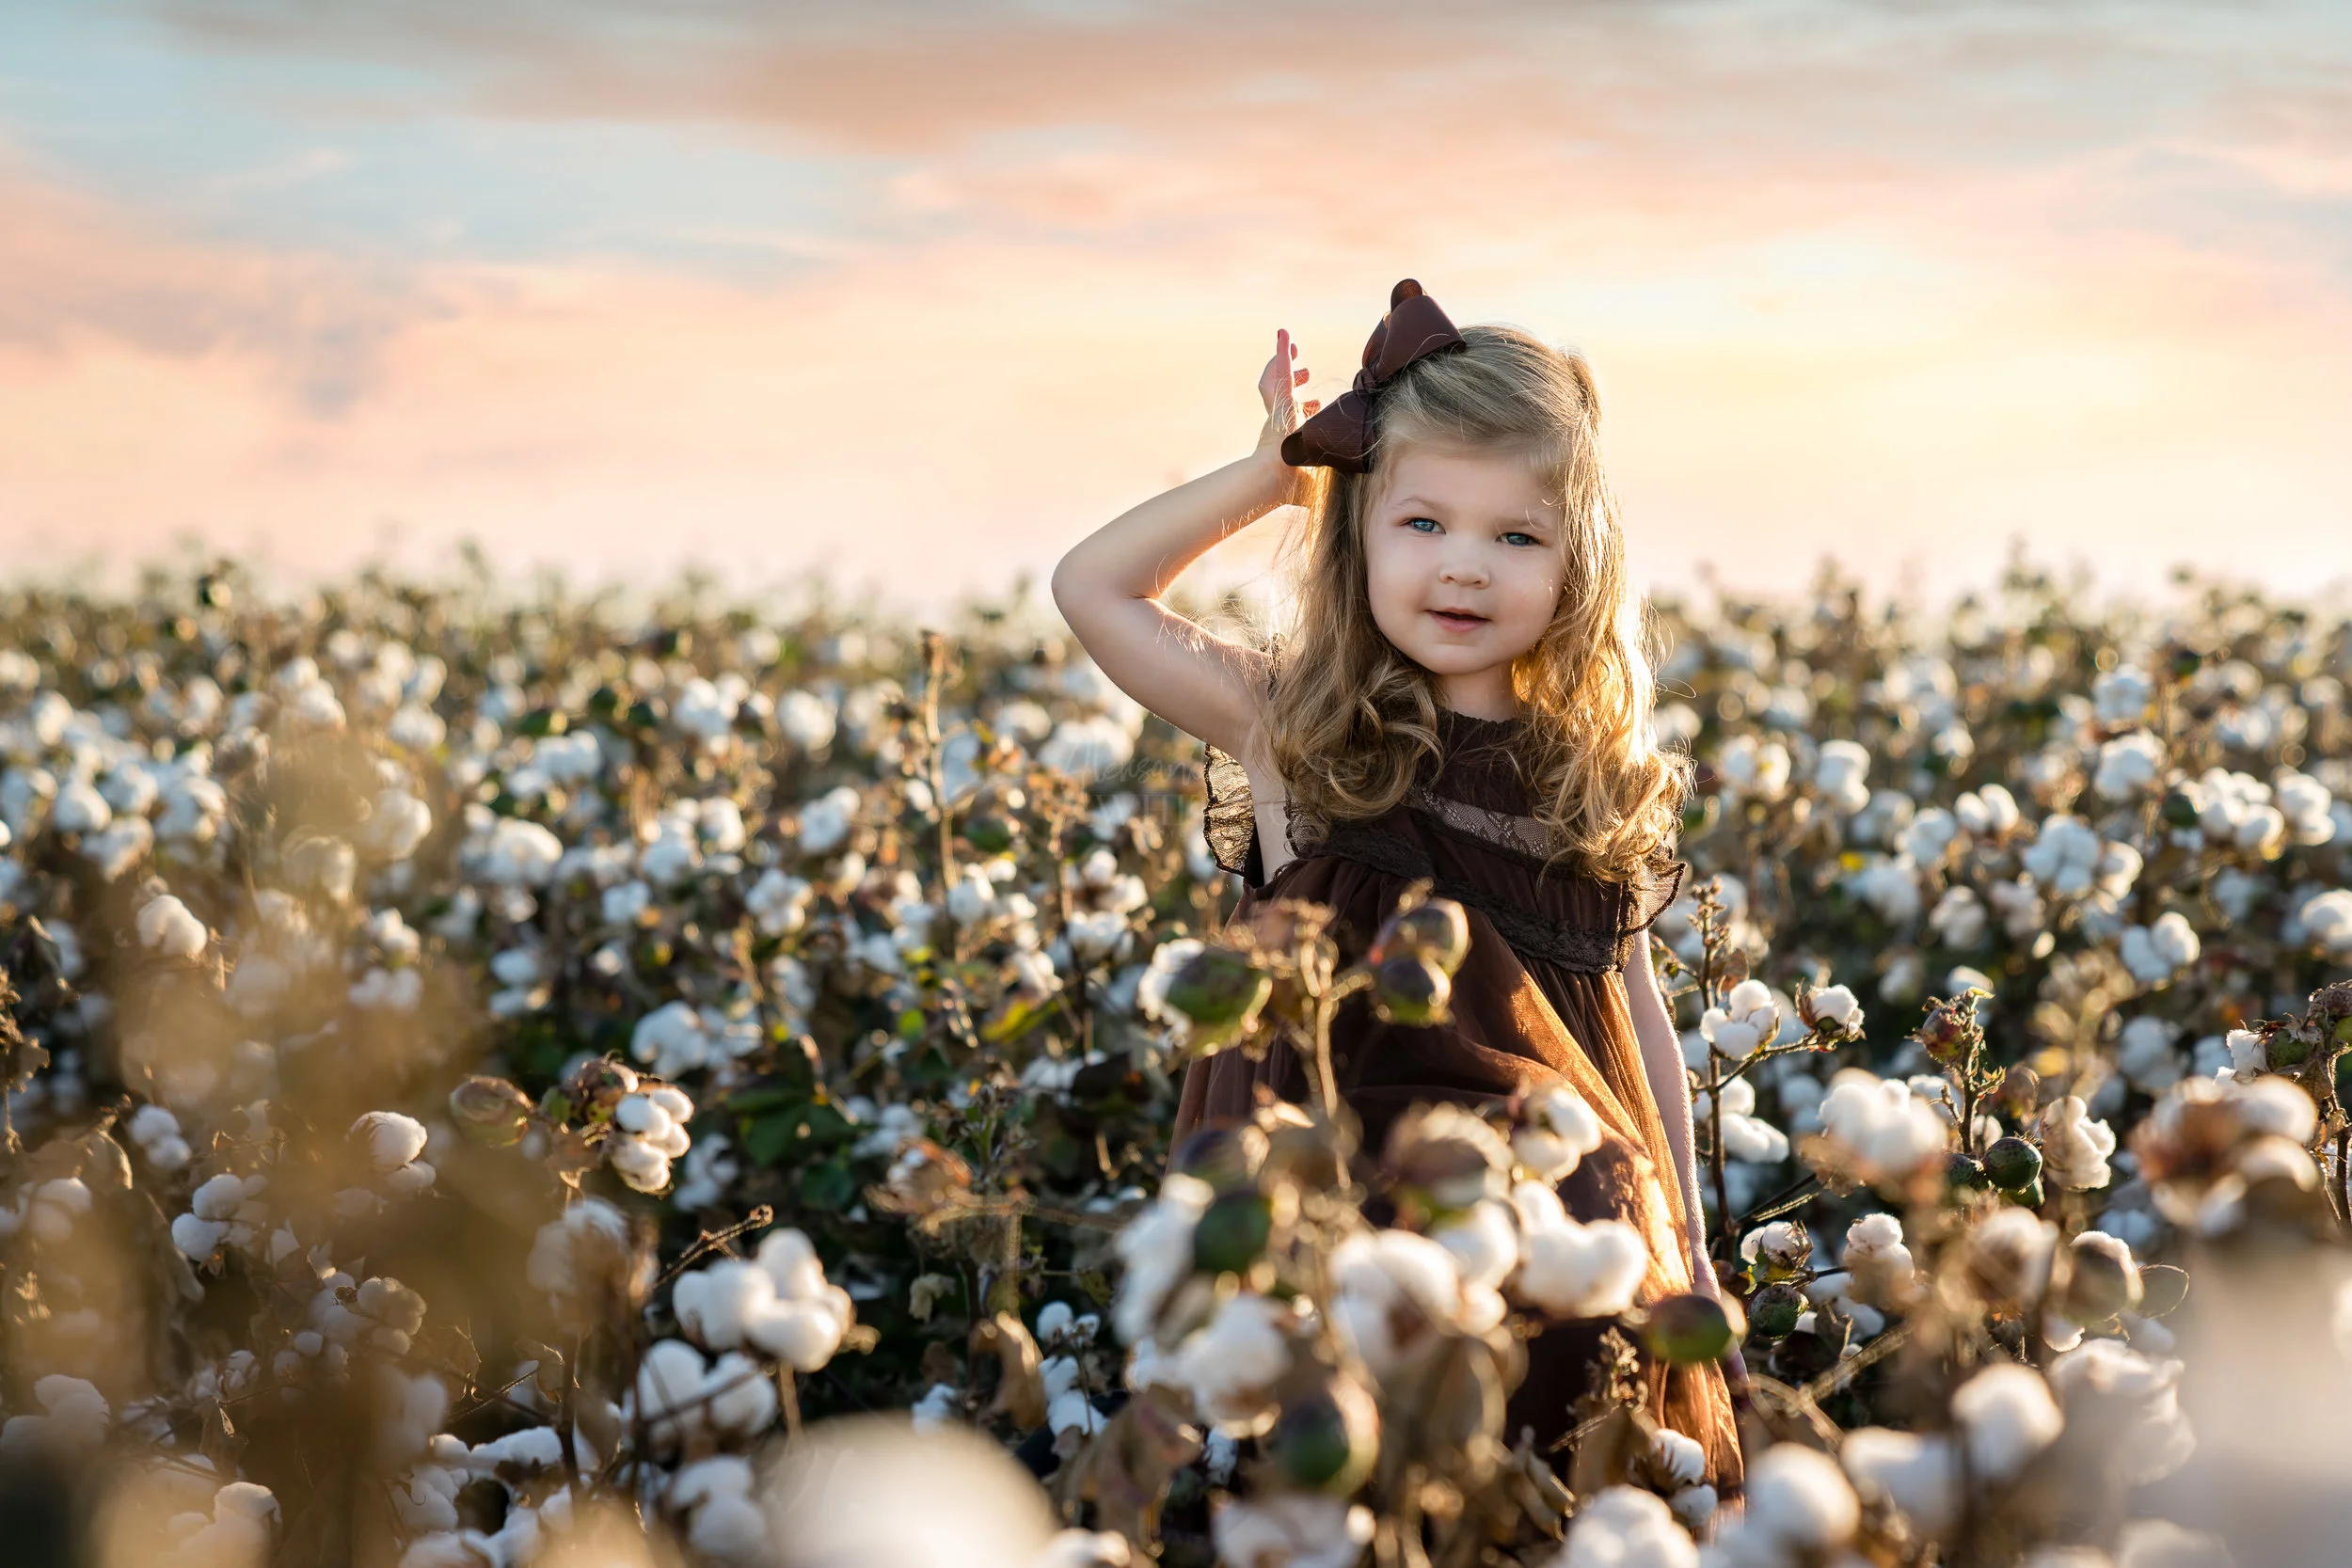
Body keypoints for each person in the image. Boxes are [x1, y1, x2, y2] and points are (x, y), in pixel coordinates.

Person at [1050, 279, 1741, 1488]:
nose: (1464, 568)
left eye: (1516, 536)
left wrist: (1684, 1231)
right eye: (1422, 523)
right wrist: (1270, 472)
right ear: (1356, 529)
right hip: (1320, 1217)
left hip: (1544, 1248)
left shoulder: (1584, 781)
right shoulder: (1298, 730)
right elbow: (1094, 588)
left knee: (1532, 1495)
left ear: (1577, 563)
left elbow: (1636, 1027)